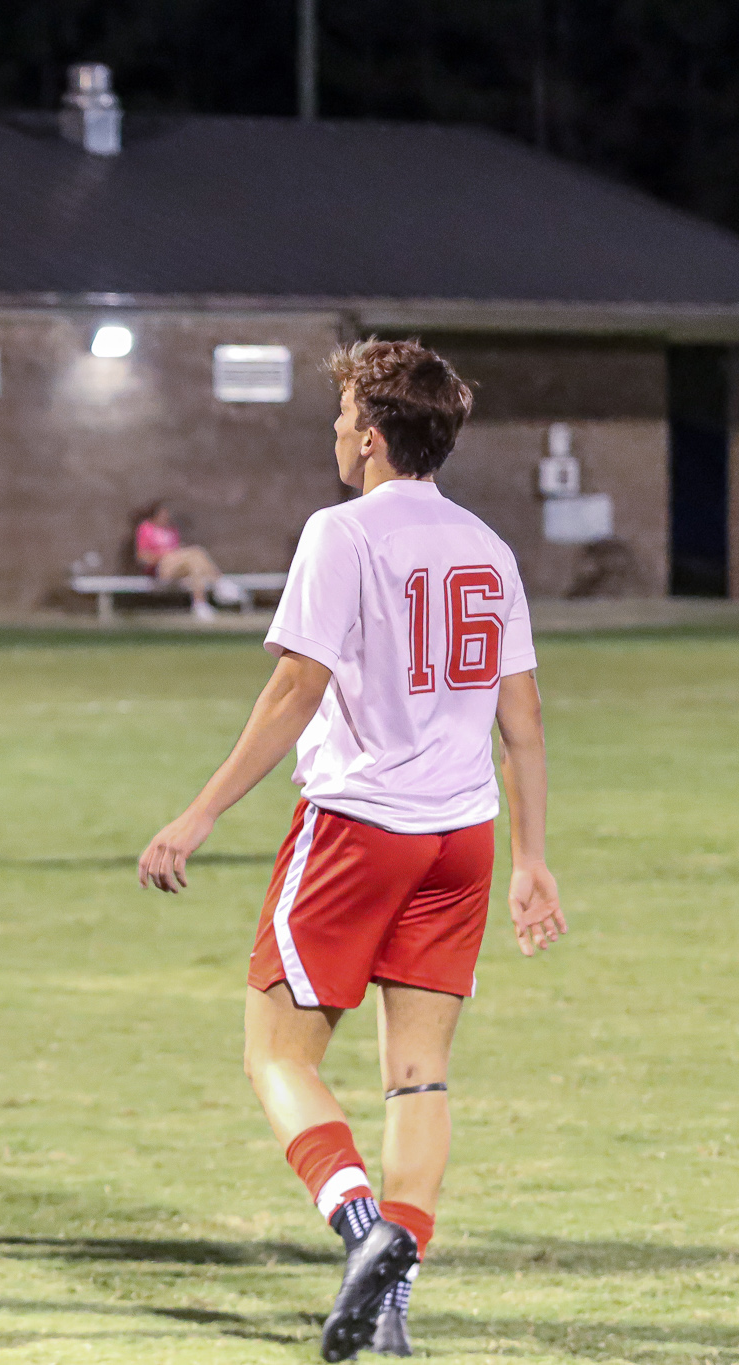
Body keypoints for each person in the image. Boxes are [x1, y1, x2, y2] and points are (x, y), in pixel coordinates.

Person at [136, 339, 566, 1362]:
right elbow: (525, 719)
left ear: (370, 437)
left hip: (354, 831)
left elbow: (295, 690)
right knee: (415, 1076)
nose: (333, 435)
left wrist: (195, 816)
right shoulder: (485, 547)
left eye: (339, 420)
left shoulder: (339, 534)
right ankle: (391, 1295)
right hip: (460, 839)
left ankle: (357, 1223)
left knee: (275, 1055)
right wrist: (532, 861)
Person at [133, 500, 246, 621]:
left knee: (195, 562)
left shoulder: (171, 530)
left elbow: (177, 549)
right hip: (161, 569)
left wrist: (177, 554)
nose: (166, 516)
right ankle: (219, 583)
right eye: (163, 513)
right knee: (195, 552)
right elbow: (142, 556)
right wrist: (165, 555)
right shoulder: (146, 528)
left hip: (178, 566)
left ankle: (200, 605)